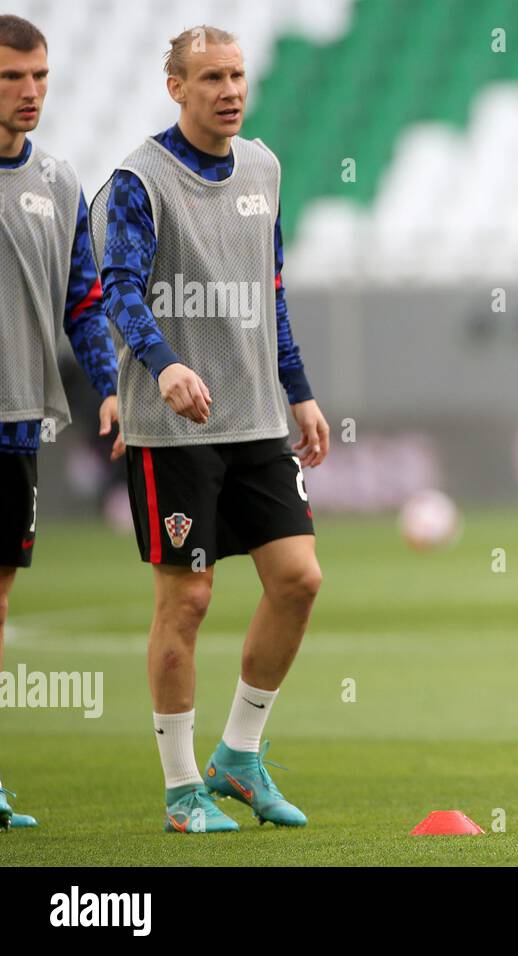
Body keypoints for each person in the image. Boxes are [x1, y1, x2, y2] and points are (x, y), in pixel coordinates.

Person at [92, 25, 329, 833]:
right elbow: (117, 291)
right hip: (173, 427)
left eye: (236, 75)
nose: (229, 90)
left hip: (257, 416)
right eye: (210, 78)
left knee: (298, 578)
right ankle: (180, 788)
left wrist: (298, 390)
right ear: (174, 87)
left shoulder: (263, 166)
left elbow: (273, 290)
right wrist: (163, 365)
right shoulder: (136, 181)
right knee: (187, 598)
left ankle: (241, 754)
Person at [0, 13, 121, 830]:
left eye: (39, 76)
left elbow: (85, 298)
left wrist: (108, 385)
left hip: (17, 422)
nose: (30, 91)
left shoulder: (61, 182)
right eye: (13, 78)